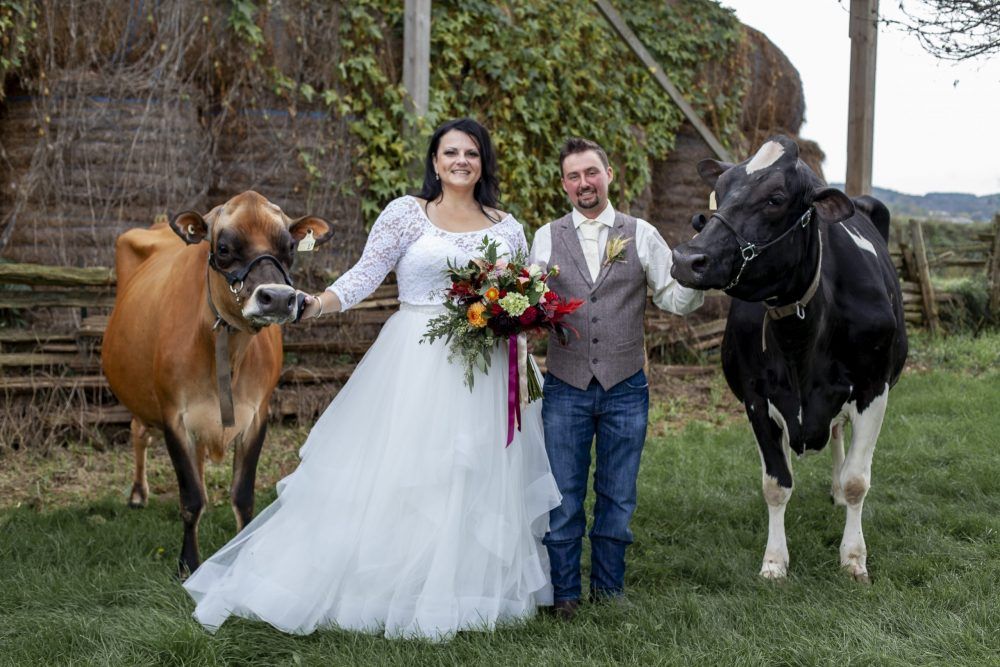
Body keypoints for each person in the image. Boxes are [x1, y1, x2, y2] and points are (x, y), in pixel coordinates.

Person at [183, 118, 561, 641]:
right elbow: (364, 275)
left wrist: (515, 313)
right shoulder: (407, 214)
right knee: (407, 475)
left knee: (475, 477)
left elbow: (519, 290)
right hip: (415, 362)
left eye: (471, 153)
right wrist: (313, 305)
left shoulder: (506, 226)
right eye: (450, 152)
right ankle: (388, 586)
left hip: (488, 368)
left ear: (483, 162)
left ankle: (468, 589)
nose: (461, 161)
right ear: (434, 161)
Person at [529, 137, 704, 619]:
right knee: (563, 495)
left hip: (627, 387)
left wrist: (697, 282)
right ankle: (564, 595)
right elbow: (532, 296)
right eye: (573, 176)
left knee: (618, 495)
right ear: (563, 184)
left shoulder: (641, 233)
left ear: (610, 174)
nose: (583, 183)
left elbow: (672, 296)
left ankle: (608, 591)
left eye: (591, 173)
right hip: (565, 386)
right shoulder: (547, 236)